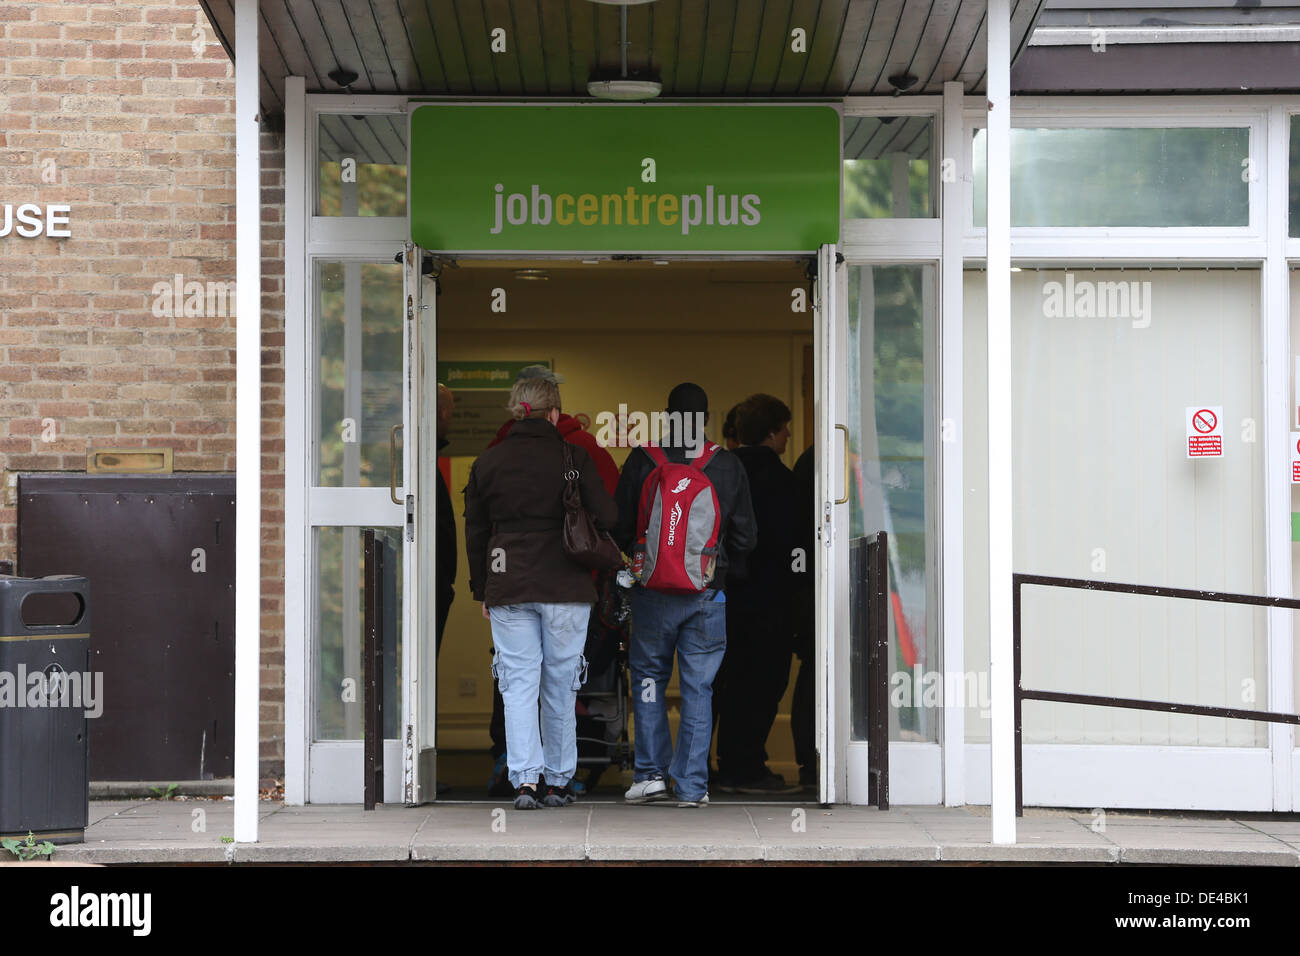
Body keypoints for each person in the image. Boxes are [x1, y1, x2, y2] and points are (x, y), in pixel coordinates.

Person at [463, 371, 617, 810]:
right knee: (561, 684)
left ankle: (525, 780)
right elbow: (608, 513)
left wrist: (482, 589)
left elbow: (476, 531)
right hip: (566, 584)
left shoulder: (488, 462)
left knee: (517, 684)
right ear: (554, 412)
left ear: (516, 410)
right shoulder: (572, 456)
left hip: (508, 582)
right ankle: (558, 781)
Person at [614, 383, 756, 807]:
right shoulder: (727, 465)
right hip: (707, 593)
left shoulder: (643, 460)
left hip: (652, 593)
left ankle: (651, 775)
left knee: (649, 681)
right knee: (699, 687)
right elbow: (748, 537)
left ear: (666, 417)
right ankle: (693, 787)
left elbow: (619, 526)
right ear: (707, 420)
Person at [715, 393, 801, 794]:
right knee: (763, 684)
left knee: (720, 682)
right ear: (771, 432)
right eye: (784, 428)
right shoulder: (785, 482)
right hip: (769, 601)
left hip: (720, 598)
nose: (787, 435)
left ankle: (714, 766)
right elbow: (794, 546)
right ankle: (746, 766)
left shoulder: (719, 473)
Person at [789, 441, 817, 790]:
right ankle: (813, 767)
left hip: (802, 589)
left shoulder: (804, 463)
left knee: (810, 675)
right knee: (816, 677)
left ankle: (810, 766)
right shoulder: (823, 458)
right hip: (812, 588)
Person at [434, 384, 456, 656]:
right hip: (432, 581)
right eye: (450, 412)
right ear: (441, 413)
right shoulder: (420, 461)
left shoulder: (429, 457)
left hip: (438, 581)